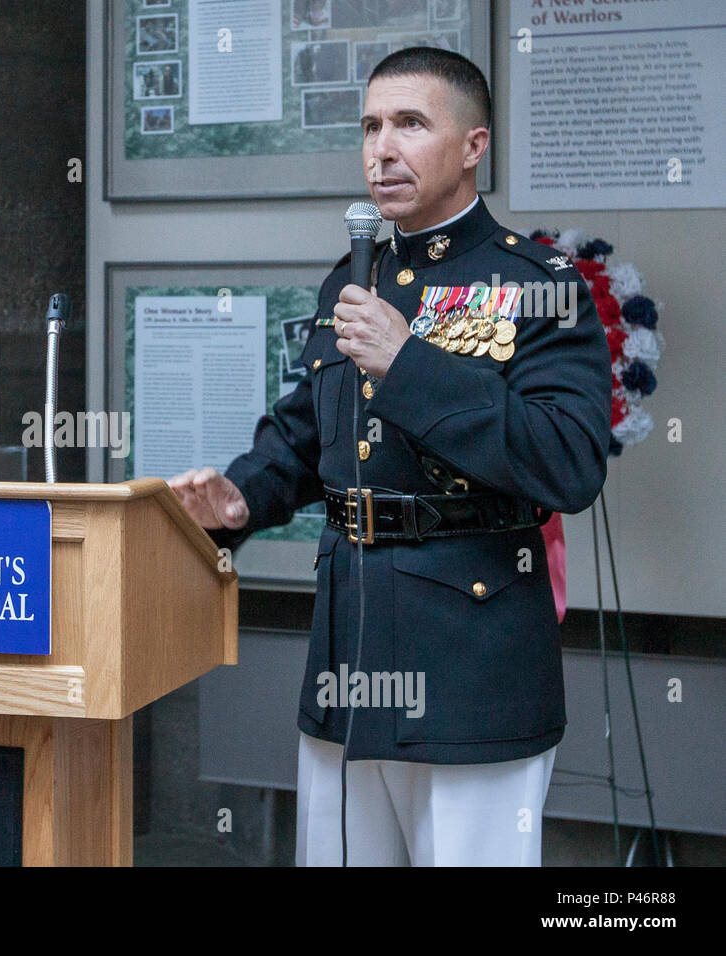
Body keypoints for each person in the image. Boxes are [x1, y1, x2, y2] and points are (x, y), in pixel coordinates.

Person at [168, 47, 610, 866]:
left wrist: (409, 366)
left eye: (410, 123)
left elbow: (568, 460)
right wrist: (240, 499)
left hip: (472, 665)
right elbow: (306, 434)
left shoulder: (536, 282)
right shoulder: (356, 274)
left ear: (474, 145)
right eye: (371, 126)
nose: (382, 149)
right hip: (350, 655)